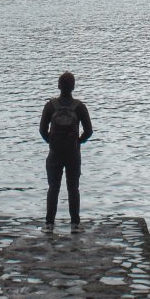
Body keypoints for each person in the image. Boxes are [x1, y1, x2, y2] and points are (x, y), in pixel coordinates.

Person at [39, 69, 93, 227]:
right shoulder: (80, 107)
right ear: (73, 87)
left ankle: (49, 223)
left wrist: (52, 142)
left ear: (59, 86)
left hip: (55, 153)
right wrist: (78, 142)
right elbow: (89, 131)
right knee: (73, 189)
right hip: (73, 154)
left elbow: (42, 130)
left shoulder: (50, 106)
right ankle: (75, 223)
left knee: (53, 188)